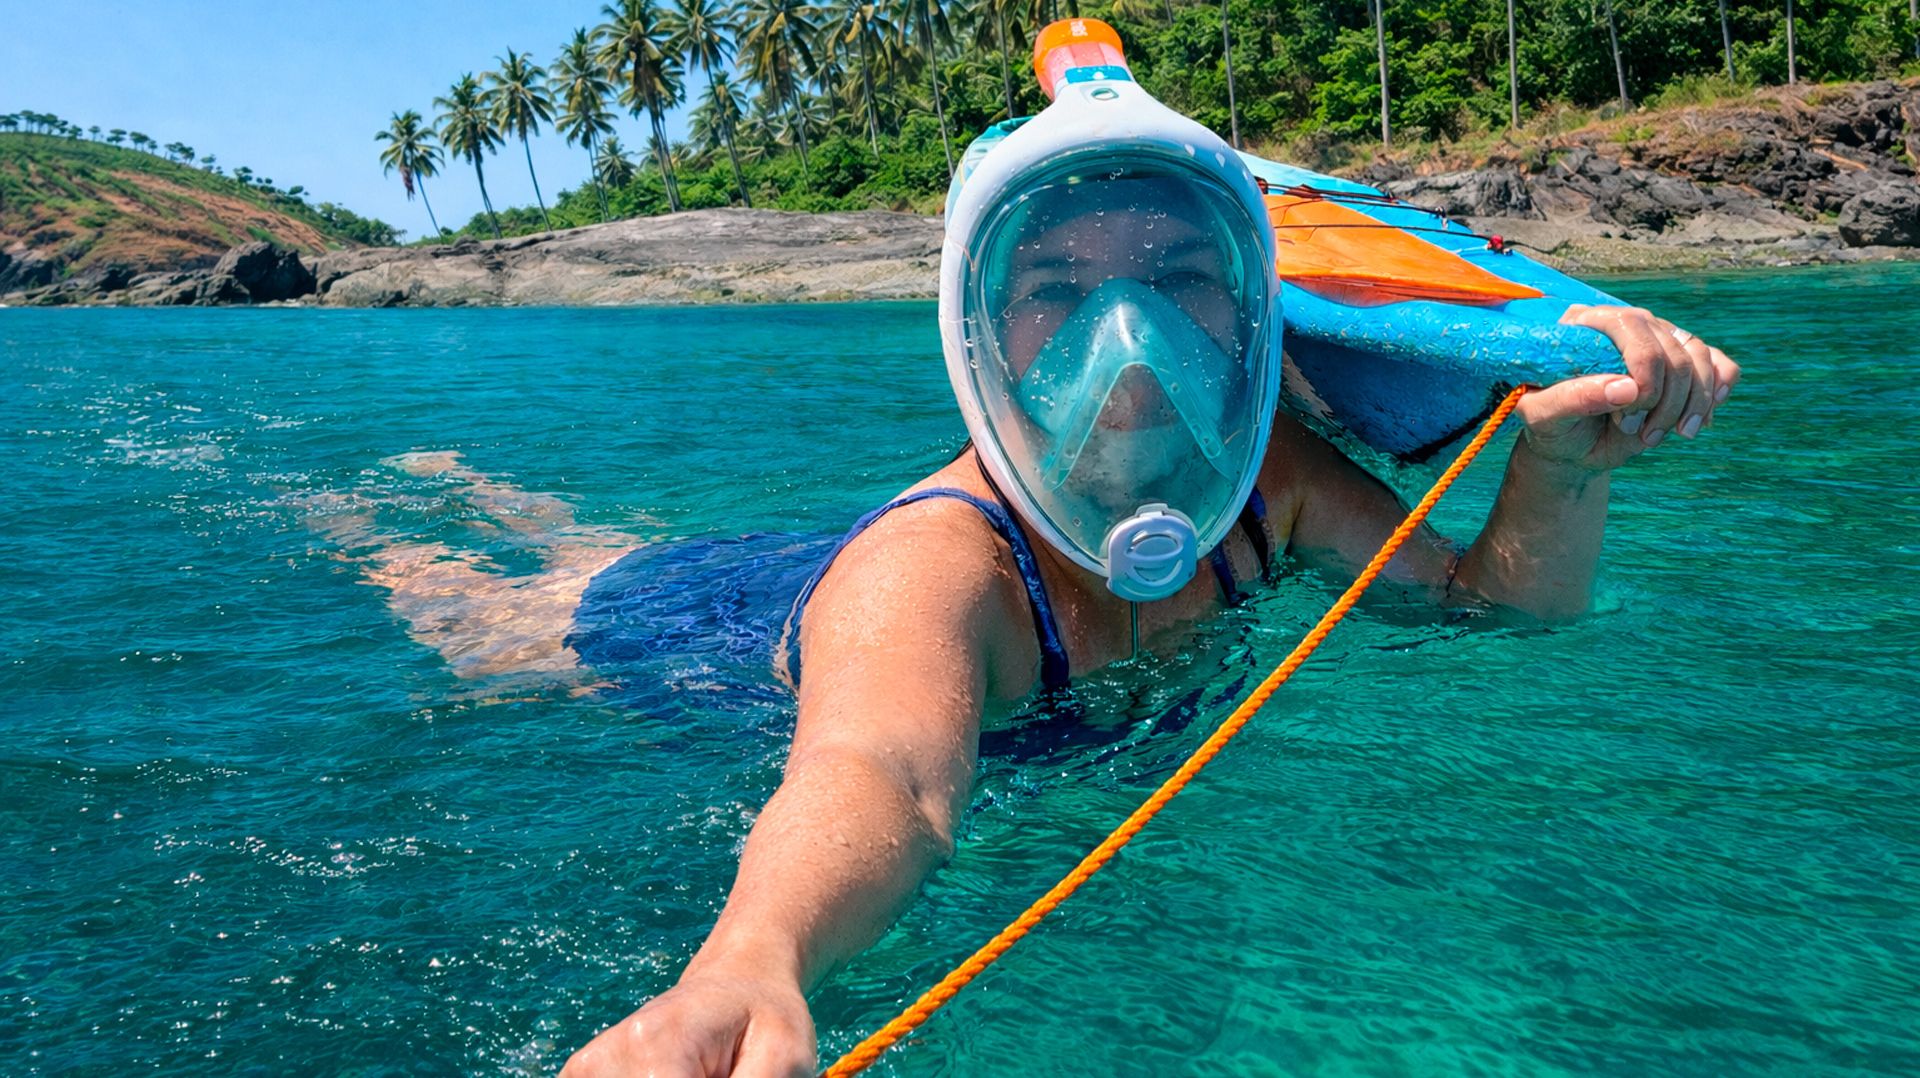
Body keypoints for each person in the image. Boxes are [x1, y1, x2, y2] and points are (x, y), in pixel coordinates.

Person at [551, 49, 1739, 1078]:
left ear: (1244, 309)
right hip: (694, 637)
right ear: (979, 335)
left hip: (818, 586)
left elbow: (1484, 616)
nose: (1127, 343)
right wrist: (754, 961)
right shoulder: (936, 570)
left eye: (1176, 282)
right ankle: (405, 524)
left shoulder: (1276, 485)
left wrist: (1561, 472)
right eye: (1057, 291)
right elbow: (883, 771)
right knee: (508, 608)